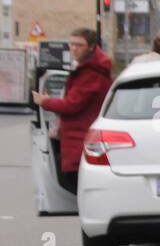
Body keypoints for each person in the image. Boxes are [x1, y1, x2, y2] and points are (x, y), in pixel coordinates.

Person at [31, 28, 113, 195]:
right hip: (79, 138)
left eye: (79, 45)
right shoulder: (89, 68)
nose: (74, 48)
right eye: (72, 44)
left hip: (80, 138)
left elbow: (71, 105)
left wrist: (45, 102)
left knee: (77, 186)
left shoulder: (91, 72)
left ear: (91, 47)